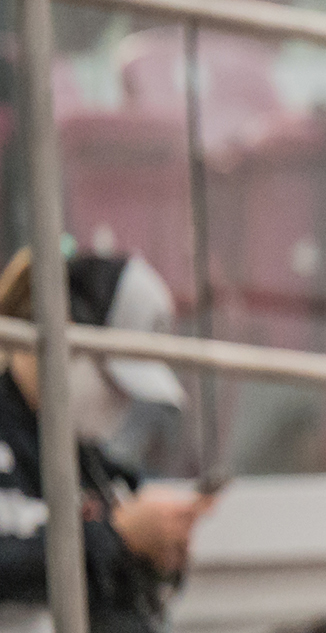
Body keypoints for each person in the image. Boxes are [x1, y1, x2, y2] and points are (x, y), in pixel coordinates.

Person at [0, 248, 209, 633]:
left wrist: (159, 551)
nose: (122, 404)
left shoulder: (91, 464)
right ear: (63, 328)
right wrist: (118, 536)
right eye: (114, 382)